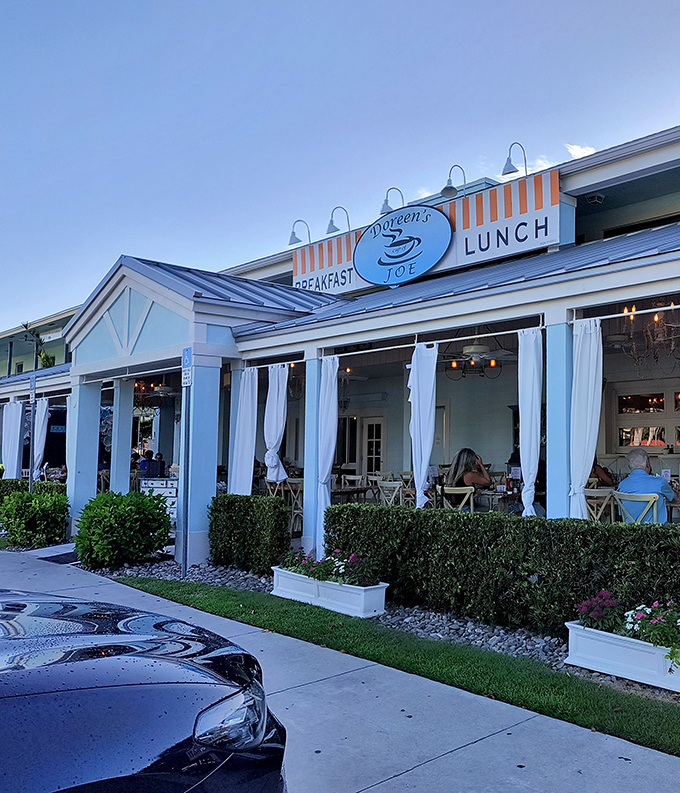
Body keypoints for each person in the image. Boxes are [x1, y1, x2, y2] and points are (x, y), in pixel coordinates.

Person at [617, 448, 675, 523]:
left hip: (631, 531)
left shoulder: (622, 485)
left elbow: (620, 513)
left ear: (629, 466)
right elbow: (672, 498)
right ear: (647, 463)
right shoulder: (659, 482)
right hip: (657, 531)